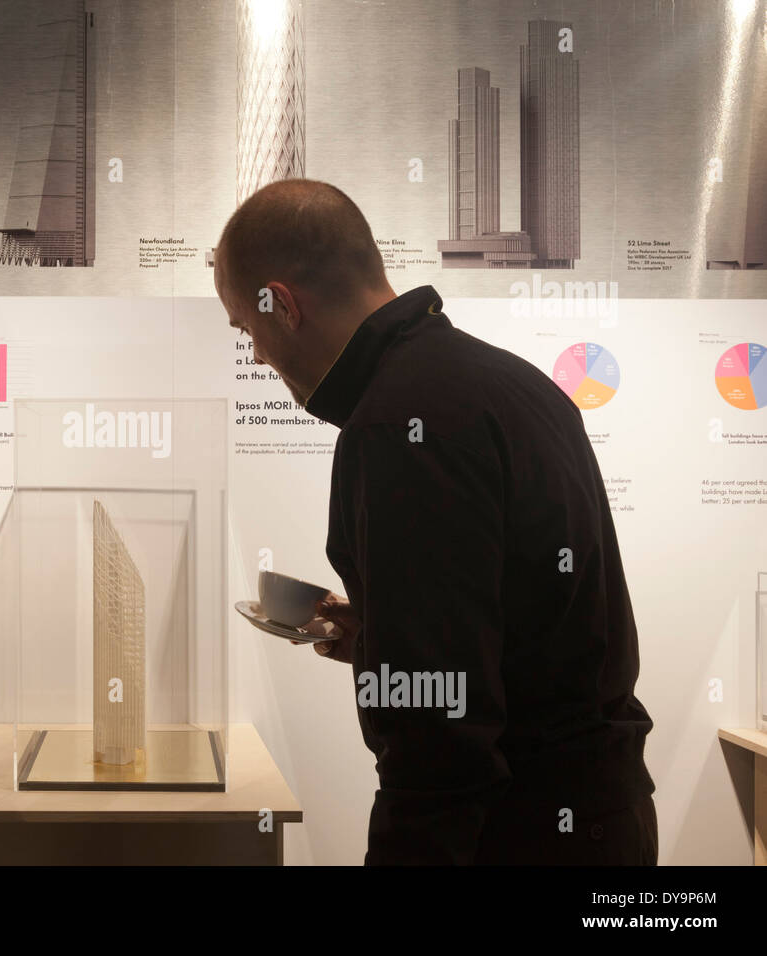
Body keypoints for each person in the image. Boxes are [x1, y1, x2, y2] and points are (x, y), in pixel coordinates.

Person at [213, 179, 657, 865]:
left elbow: (439, 740)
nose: (257, 355)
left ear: (284, 306)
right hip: (601, 819)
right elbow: (524, 628)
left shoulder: (398, 422)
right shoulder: (516, 384)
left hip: (513, 836)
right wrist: (386, 635)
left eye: (247, 329)